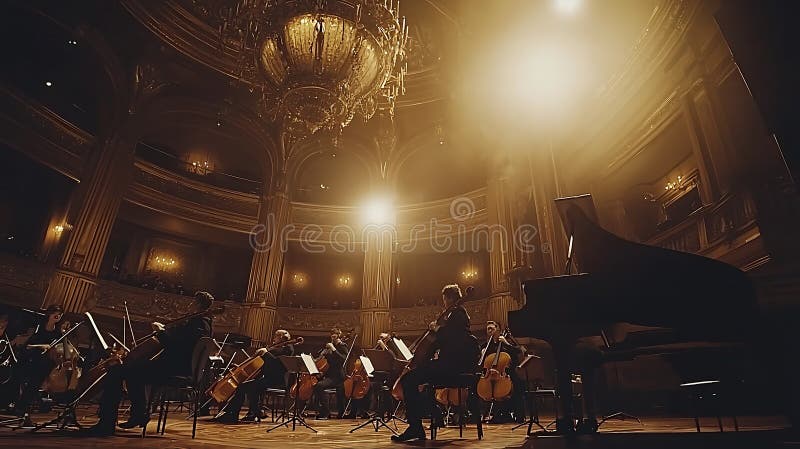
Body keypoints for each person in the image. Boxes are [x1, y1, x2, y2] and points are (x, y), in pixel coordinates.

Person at [86, 291, 214, 436]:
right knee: (133, 372)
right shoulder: (199, 323)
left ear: (197, 304)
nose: (190, 304)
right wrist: (165, 331)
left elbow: (179, 346)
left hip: (173, 369)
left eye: (193, 302)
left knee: (117, 371)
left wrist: (161, 332)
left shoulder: (199, 323)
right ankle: (139, 414)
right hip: (174, 367)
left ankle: (106, 423)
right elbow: (180, 342)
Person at [392, 284, 481, 442]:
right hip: (450, 365)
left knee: (409, 380)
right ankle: (430, 415)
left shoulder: (458, 314)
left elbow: (453, 338)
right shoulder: (454, 315)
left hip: (452, 367)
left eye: (444, 299)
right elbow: (441, 342)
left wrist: (437, 329)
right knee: (416, 380)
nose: (444, 303)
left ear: (448, 298)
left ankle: (416, 426)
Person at [215, 329, 296, 424]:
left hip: (276, 380)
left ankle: (241, 413)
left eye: (276, 336)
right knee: (244, 385)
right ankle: (242, 413)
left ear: (281, 337)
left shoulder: (288, 348)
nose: (274, 339)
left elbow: (276, 364)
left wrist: (266, 353)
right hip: (267, 377)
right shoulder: (276, 347)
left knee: (249, 386)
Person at [11, 305, 63, 416]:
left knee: (36, 382)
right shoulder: (38, 327)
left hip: (45, 362)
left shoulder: (58, 332)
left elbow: (58, 348)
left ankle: (23, 407)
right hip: (31, 358)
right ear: (49, 314)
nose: (58, 315)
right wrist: (42, 346)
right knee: (24, 377)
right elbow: (28, 345)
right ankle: (17, 405)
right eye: (56, 313)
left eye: (60, 314)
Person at [480, 321, 526, 423]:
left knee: (518, 385)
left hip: (506, 373)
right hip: (490, 374)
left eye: (492, 328)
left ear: (498, 330)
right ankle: (495, 414)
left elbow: (519, 351)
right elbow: (481, 363)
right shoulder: (486, 345)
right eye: (488, 329)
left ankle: (519, 416)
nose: (490, 331)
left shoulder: (506, 341)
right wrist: (482, 353)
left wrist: (507, 343)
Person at [313, 328, 348, 419]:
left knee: (319, 386)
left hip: (338, 377)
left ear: (338, 336)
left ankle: (326, 412)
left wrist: (333, 349)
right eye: (331, 336)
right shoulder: (329, 347)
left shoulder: (343, 346)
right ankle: (319, 409)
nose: (333, 338)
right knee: (315, 385)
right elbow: (324, 361)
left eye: (335, 336)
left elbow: (342, 359)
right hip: (329, 375)